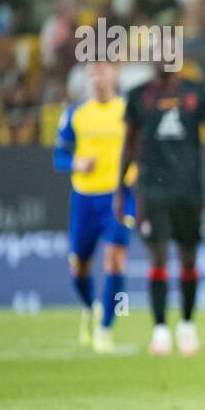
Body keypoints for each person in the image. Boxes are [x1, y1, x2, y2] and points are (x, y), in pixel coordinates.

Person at [116, 62, 205, 356]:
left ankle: (187, 326)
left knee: (188, 256)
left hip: (187, 188)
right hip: (152, 188)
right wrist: (120, 188)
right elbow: (129, 143)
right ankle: (160, 331)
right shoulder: (137, 96)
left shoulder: (196, 92)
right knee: (157, 254)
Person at [53, 62, 134, 354]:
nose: (97, 76)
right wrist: (76, 163)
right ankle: (91, 309)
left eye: (103, 70)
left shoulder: (128, 111)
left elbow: (140, 148)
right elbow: (59, 157)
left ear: (115, 74)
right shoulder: (76, 114)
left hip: (118, 197)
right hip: (85, 198)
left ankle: (106, 329)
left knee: (115, 259)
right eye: (93, 71)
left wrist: (136, 173)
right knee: (80, 269)